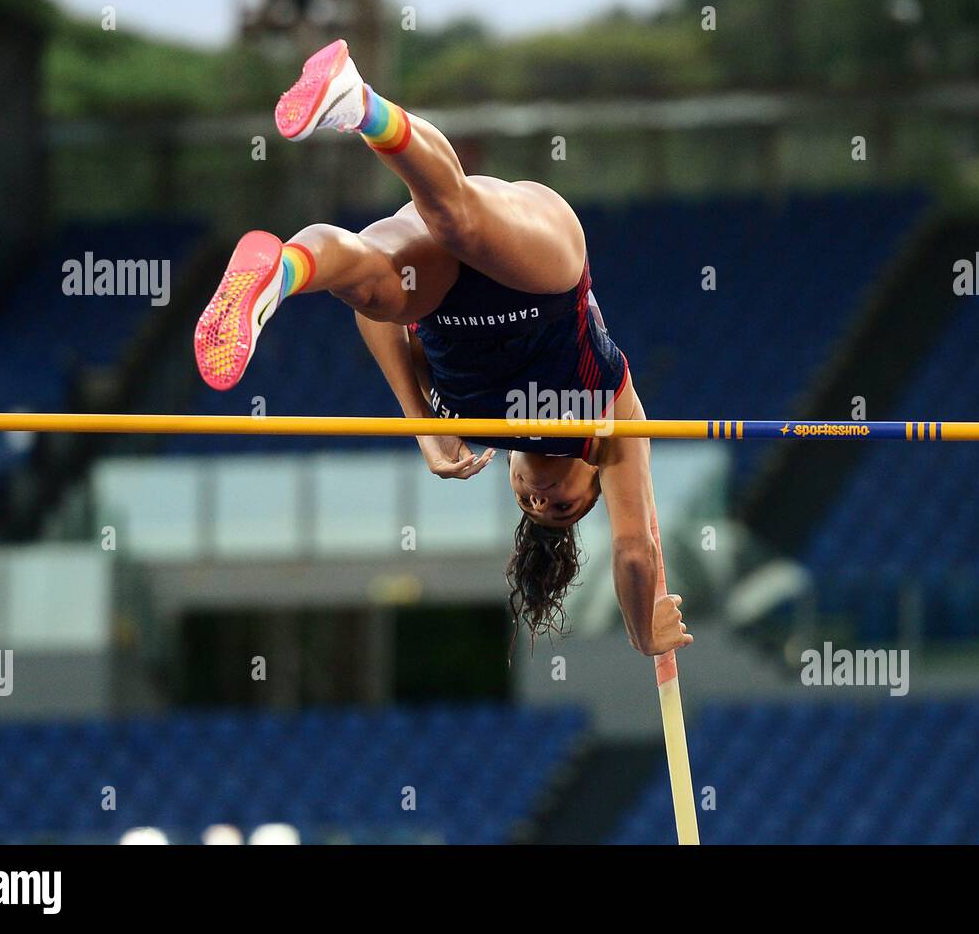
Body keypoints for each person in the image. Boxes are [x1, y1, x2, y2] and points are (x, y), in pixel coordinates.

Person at [193, 40, 691, 658]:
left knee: (374, 286)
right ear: (591, 483)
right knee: (457, 220)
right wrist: (646, 635)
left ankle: (280, 273)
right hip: (543, 270)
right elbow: (634, 548)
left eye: (527, 503)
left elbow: (378, 324)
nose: (540, 497)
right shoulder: (610, 428)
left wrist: (421, 420)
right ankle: (359, 103)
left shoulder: (463, 416)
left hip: (446, 297)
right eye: (560, 508)